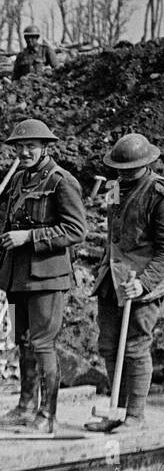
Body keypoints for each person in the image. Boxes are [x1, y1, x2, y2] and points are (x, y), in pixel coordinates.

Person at [0, 119, 88, 432]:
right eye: (20, 147)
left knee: (42, 344)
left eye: (31, 146)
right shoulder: (18, 180)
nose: (25, 152)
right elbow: (7, 230)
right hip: (16, 276)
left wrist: (30, 238)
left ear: (45, 147)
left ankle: (47, 416)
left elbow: (76, 230)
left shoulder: (61, 181)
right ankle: (25, 407)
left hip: (47, 277)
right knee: (23, 342)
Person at [85, 133, 164, 433]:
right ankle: (115, 411)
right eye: (120, 169)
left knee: (134, 348)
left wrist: (144, 283)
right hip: (111, 279)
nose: (124, 174)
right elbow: (112, 234)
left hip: (141, 284)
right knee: (108, 346)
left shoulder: (157, 194)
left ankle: (135, 416)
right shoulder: (114, 187)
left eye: (130, 169)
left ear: (146, 164)